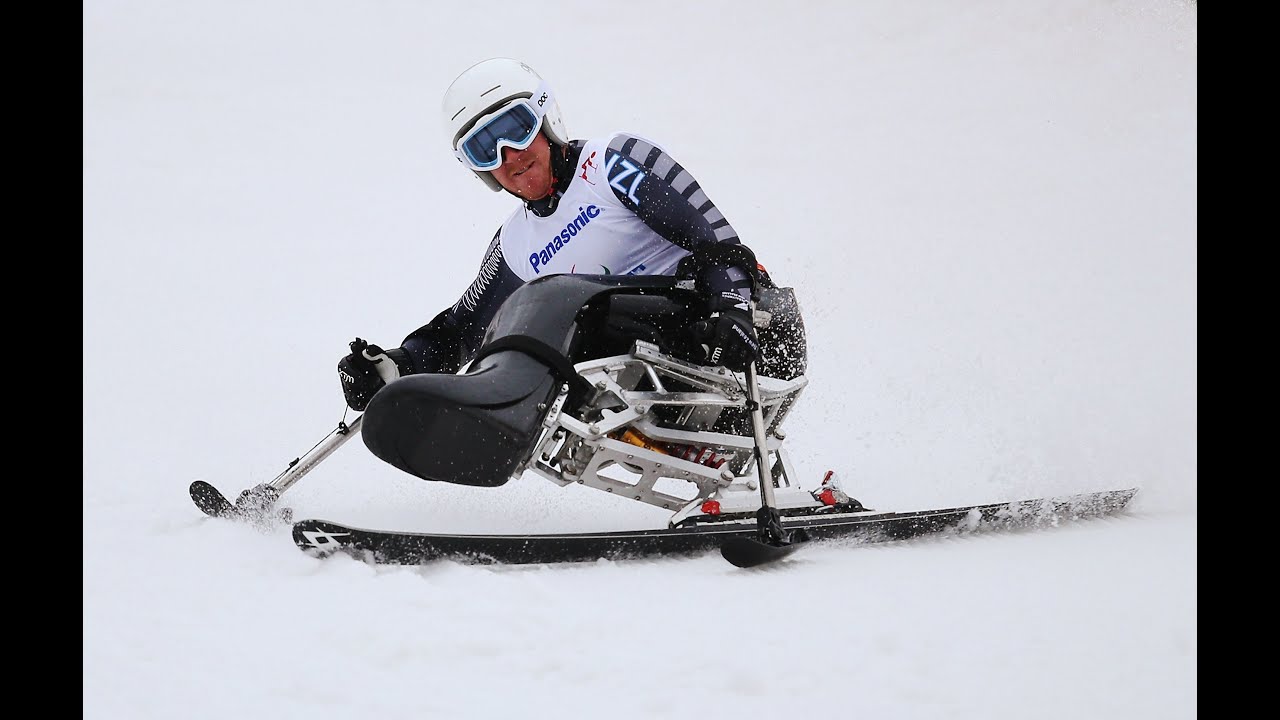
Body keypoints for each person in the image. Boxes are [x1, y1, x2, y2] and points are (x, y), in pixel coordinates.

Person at [337, 57, 804, 413]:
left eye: (515, 131)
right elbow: (462, 331)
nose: (509, 156)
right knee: (522, 324)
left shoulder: (611, 165)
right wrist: (394, 367)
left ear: (546, 120)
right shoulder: (514, 246)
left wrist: (734, 307)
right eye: (485, 150)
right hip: (640, 374)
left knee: (560, 302)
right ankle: (483, 432)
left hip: (738, 333)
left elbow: (715, 242)